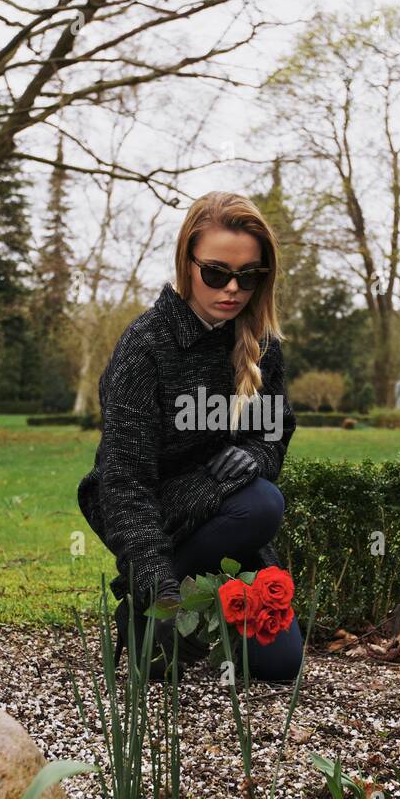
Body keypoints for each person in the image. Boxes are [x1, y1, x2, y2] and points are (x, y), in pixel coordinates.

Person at [77, 191, 300, 682]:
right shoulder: (146, 347)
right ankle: (148, 603)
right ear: (187, 262)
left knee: (280, 664)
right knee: (262, 504)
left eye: (250, 275)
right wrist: (163, 593)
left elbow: (273, 433)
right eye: (217, 273)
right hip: (159, 509)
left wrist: (255, 455)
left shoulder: (263, 345)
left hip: (226, 519)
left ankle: (192, 612)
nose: (233, 288)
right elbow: (126, 483)